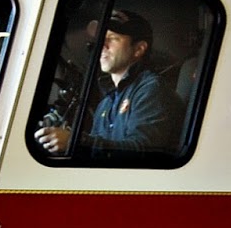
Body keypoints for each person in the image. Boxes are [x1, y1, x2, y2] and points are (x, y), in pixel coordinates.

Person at [35, 9, 182, 156]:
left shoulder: (151, 89)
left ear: (138, 49)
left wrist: (75, 142)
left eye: (112, 38)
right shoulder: (106, 103)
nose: (102, 45)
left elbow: (142, 152)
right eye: (101, 38)